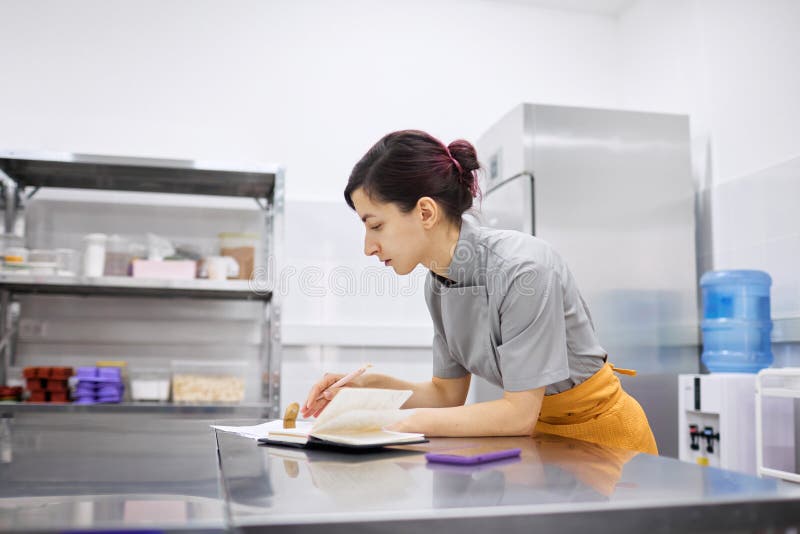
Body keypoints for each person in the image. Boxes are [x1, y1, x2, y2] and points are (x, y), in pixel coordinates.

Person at [301, 130, 658, 455]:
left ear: (425, 211)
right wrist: (368, 386)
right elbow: (447, 394)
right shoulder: (438, 283)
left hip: (607, 442)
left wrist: (398, 426)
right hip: (544, 441)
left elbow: (518, 415)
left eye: (375, 225)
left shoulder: (523, 269)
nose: (368, 247)